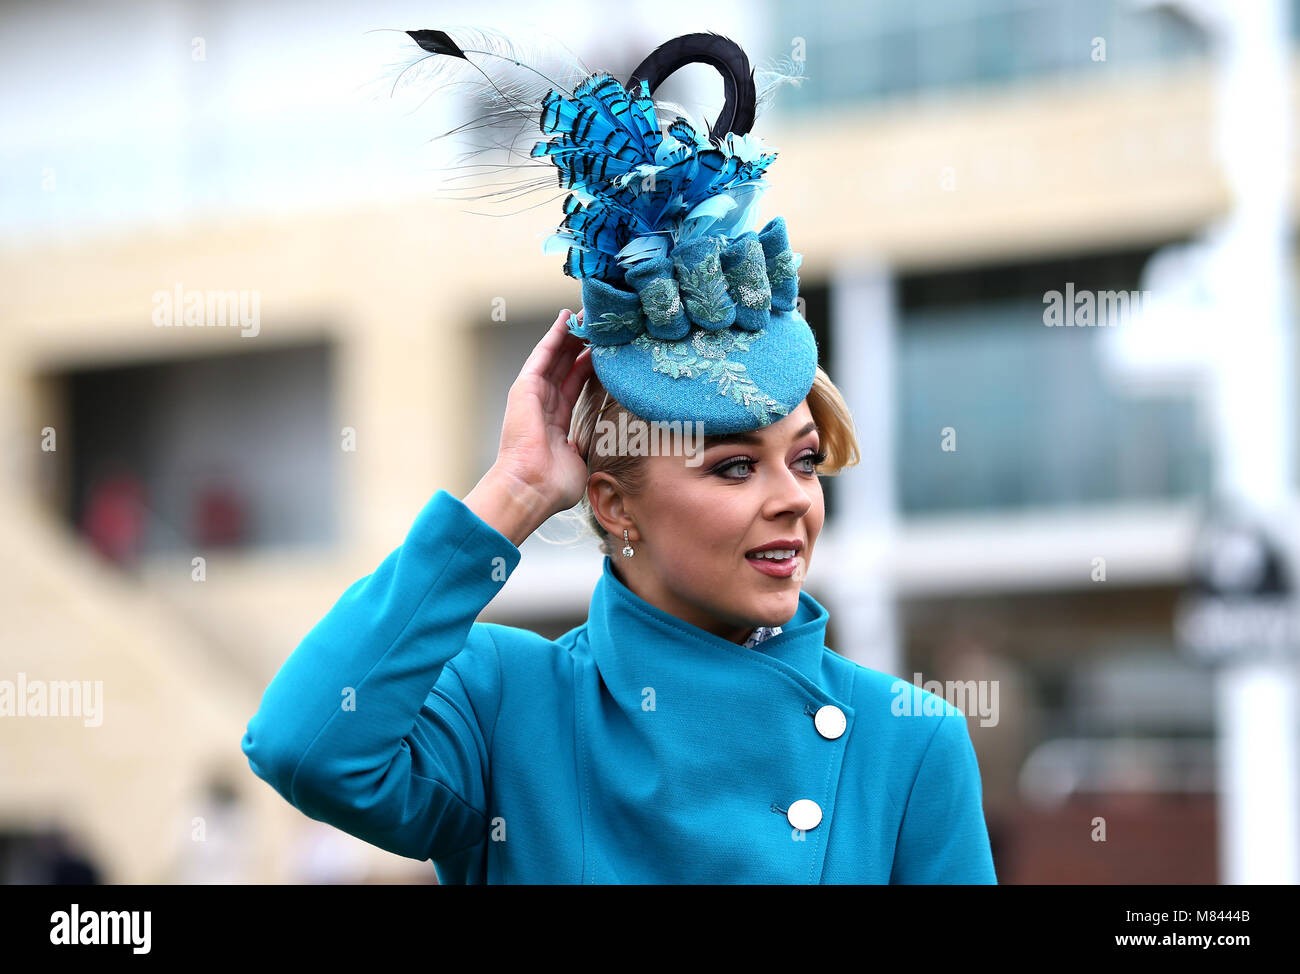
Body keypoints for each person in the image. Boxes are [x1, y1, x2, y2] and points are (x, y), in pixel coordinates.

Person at [241, 29, 997, 884]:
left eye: (807, 460)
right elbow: (303, 744)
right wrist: (517, 488)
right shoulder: (509, 702)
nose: (794, 499)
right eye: (735, 466)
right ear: (613, 504)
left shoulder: (906, 739)